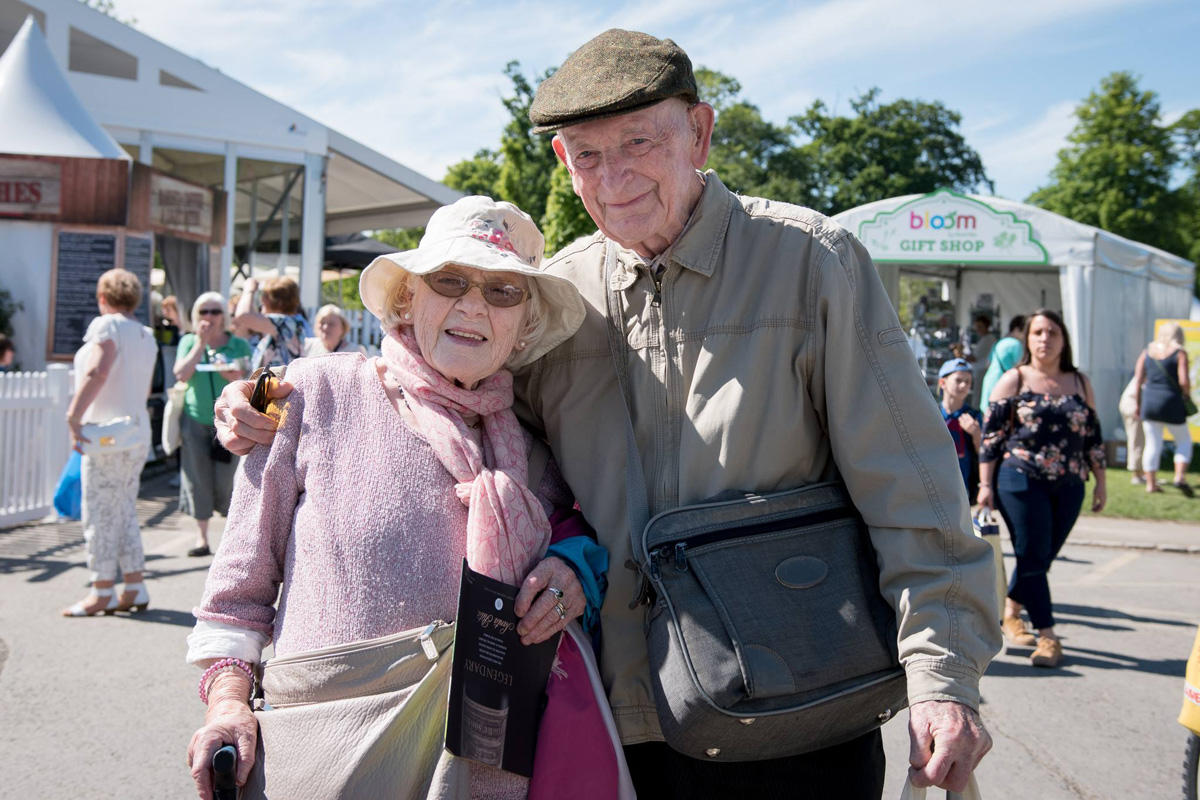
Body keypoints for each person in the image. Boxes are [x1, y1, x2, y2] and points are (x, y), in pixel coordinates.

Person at [214, 30, 999, 798]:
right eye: (587, 153)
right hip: (620, 730)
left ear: (699, 130)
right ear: (564, 163)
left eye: (638, 142)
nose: (613, 175)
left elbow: (913, 493)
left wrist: (944, 674)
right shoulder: (550, 299)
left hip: (796, 713)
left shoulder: (811, 264)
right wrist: (265, 405)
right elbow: (445, 412)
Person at [186, 197, 624, 800]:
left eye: (503, 291)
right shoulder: (305, 390)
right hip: (326, 759)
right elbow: (236, 591)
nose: (473, 304)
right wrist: (227, 705)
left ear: (525, 326)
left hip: (482, 777)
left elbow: (579, 545)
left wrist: (566, 576)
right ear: (406, 299)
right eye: (449, 280)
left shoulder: (535, 458)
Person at [978, 310, 1106, 668]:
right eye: (1037, 332)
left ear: (1063, 339)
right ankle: (1048, 636)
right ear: (1027, 339)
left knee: (1041, 556)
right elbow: (991, 439)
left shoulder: (1079, 382)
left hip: (1069, 484)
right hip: (1019, 479)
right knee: (1032, 551)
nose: (1043, 339)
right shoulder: (1013, 380)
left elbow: (1092, 437)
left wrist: (1101, 482)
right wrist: (985, 484)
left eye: (1051, 332)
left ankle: (1012, 609)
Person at [61, 268, 158, 617]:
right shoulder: (147, 335)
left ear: (103, 297)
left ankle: (102, 588)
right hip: (135, 432)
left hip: (105, 434)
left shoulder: (107, 326)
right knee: (123, 508)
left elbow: (98, 371)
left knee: (99, 511)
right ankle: (134, 584)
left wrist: (74, 416)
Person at [173, 292, 252, 557]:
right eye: (203, 311)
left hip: (229, 419)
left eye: (215, 311)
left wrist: (234, 376)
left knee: (230, 480)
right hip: (195, 418)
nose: (209, 317)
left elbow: (251, 375)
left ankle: (232, 539)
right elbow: (181, 373)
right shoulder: (188, 341)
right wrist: (200, 344)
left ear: (224, 316)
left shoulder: (238, 344)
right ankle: (202, 538)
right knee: (197, 478)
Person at [1133, 321, 1193, 493]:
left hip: (1149, 402)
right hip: (1171, 401)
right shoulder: (1179, 353)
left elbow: (1138, 380)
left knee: (1152, 443)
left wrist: (1138, 403)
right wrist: (1186, 395)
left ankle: (1151, 484)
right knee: (1183, 440)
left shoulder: (1148, 351)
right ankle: (1179, 476)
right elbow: (1184, 381)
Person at [233, 275, 310, 371]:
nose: (261, 300)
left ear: (278, 302)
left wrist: (249, 289)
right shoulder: (295, 322)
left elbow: (244, 315)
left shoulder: (284, 323)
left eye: (265, 296)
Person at [937, 358, 983, 498]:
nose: (964, 385)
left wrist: (976, 434)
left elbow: (984, 453)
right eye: (958, 380)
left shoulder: (974, 416)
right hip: (933, 482)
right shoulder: (931, 414)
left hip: (961, 487)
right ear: (942, 382)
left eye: (968, 382)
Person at [980, 315, 1027, 407]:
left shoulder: (999, 342)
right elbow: (1023, 369)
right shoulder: (1016, 344)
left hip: (989, 382)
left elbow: (987, 364)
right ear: (1017, 329)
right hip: (1002, 386)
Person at [301, 303, 367, 357]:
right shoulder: (308, 346)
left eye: (331, 324)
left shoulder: (355, 351)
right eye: (322, 322)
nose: (325, 327)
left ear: (343, 328)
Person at [1118, 373, 1146, 484]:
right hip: (1134, 405)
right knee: (1137, 440)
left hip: (1135, 404)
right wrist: (1138, 406)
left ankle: (1143, 473)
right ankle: (1137, 475)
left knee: (1140, 440)